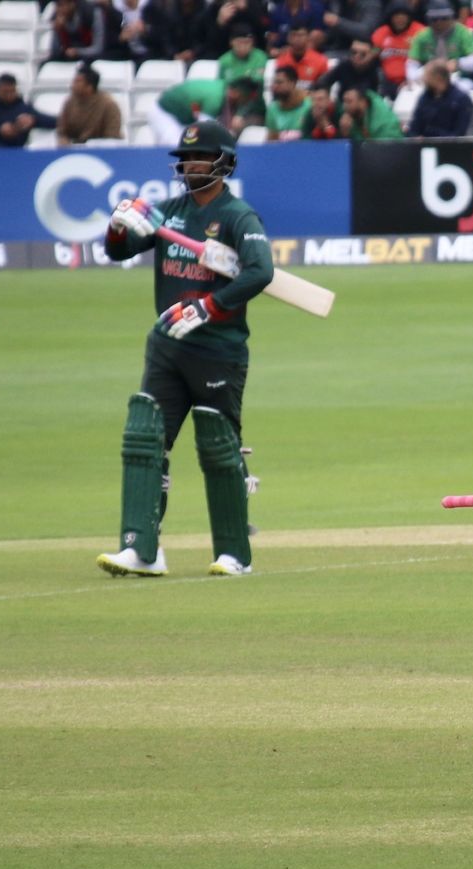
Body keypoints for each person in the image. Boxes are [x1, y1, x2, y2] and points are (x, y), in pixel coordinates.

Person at [98, 120, 274, 580]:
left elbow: (260, 272)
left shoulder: (239, 217)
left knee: (218, 445)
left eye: (201, 157)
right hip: (167, 345)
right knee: (145, 439)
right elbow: (118, 251)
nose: (191, 163)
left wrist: (209, 306)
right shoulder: (169, 213)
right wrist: (118, 226)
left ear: (224, 163)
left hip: (218, 349)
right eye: (187, 157)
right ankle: (141, 549)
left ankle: (235, 554)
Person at [406, 0, 473, 85]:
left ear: (451, 17)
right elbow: (412, 65)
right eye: (434, 19)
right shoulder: (422, 36)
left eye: (444, 18)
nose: (439, 22)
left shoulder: (463, 33)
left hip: (458, 79)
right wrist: (424, 72)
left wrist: (457, 64)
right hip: (428, 80)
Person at [56, 63, 124, 145]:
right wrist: (63, 139)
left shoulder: (109, 105)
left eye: (78, 82)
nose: (72, 85)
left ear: (89, 86)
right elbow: (62, 131)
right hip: (74, 150)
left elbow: (112, 136)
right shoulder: (69, 103)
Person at [372, 0, 425, 98]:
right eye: (396, 17)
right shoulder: (381, 33)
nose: (400, 20)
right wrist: (373, 53)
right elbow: (374, 54)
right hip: (386, 82)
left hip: (413, 82)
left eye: (403, 16)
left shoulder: (420, 32)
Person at [407, 57, 473, 134]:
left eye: (427, 77)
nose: (424, 80)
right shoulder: (424, 98)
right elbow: (415, 127)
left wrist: (431, 132)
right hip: (424, 145)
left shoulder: (461, 100)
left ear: (438, 78)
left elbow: (460, 133)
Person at [274, 18, 331, 89]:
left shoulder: (320, 61)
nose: (297, 39)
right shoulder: (281, 60)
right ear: (288, 38)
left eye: (301, 35)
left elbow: (323, 88)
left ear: (308, 37)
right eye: (294, 35)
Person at [315, 38, 382, 94]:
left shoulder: (376, 72)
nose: (356, 57)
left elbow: (377, 98)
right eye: (353, 52)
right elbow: (323, 82)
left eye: (363, 54)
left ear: (371, 56)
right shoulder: (344, 66)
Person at [338, 83, 405, 138]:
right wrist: (345, 134)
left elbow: (385, 145)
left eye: (349, 101)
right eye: (344, 101)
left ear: (363, 102)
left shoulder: (381, 119)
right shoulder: (352, 116)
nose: (345, 106)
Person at [265, 65, 311, 139]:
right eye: (274, 83)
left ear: (293, 83)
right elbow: (271, 141)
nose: (275, 86)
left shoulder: (309, 106)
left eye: (279, 82)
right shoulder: (272, 109)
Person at [218, 22, 270, 87]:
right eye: (240, 42)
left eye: (247, 42)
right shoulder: (224, 60)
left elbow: (258, 80)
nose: (243, 46)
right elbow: (220, 83)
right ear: (231, 42)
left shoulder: (260, 57)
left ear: (253, 43)